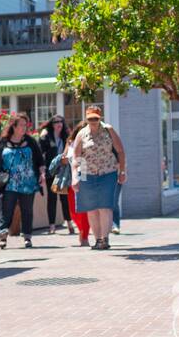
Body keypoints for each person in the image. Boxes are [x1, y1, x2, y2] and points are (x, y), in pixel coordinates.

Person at [0, 112, 46, 249]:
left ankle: (27, 237)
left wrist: (42, 175)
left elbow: (40, 160)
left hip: (28, 182)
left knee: (27, 210)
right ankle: (3, 236)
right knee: (7, 209)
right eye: (21, 125)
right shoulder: (4, 141)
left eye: (26, 125)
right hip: (9, 183)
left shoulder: (30, 141)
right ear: (14, 126)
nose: (24, 128)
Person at [69, 105, 126, 251]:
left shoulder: (109, 130)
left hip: (108, 171)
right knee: (91, 208)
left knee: (105, 206)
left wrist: (122, 171)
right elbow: (76, 156)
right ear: (86, 118)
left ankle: (105, 239)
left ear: (100, 117)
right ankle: (98, 239)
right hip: (87, 172)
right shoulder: (82, 134)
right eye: (90, 118)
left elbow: (120, 151)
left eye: (95, 118)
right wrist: (75, 176)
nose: (93, 121)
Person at [38, 115, 74, 234]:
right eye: (56, 122)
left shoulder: (65, 137)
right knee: (52, 198)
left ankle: (69, 223)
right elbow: (40, 151)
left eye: (61, 122)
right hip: (51, 170)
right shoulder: (46, 136)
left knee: (64, 197)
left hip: (63, 170)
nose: (59, 124)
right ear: (52, 124)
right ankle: (52, 226)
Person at [64, 118, 92, 247]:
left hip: (86, 177)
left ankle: (85, 235)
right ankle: (81, 229)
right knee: (73, 211)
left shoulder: (90, 143)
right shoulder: (70, 142)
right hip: (71, 179)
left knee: (84, 210)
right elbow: (64, 157)